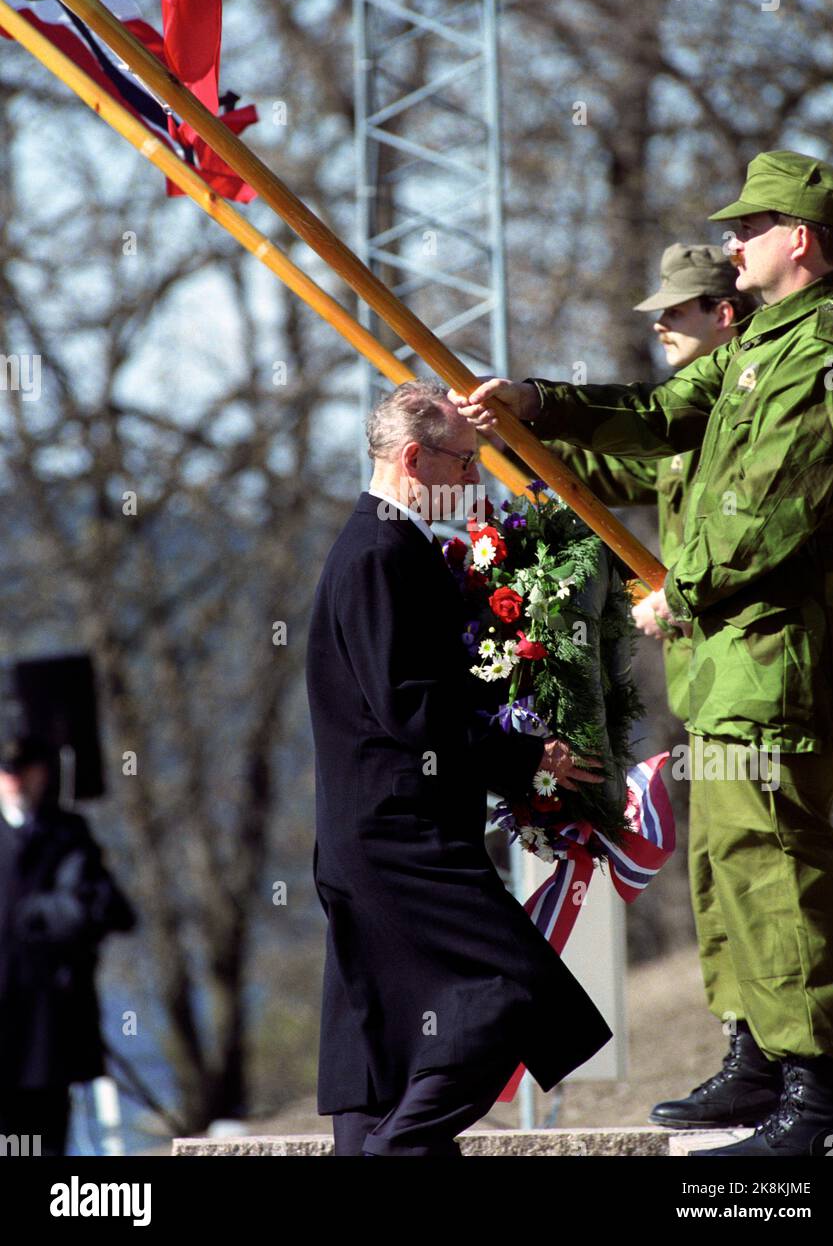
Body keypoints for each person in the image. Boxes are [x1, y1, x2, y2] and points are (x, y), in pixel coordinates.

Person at [450, 150, 833, 1157]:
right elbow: (663, 416)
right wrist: (536, 405)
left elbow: (776, 500)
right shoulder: (762, 342)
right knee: (725, 862)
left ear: (798, 239)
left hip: (780, 651)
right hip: (734, 659)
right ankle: (759, 1058)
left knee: (775, 857)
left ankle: (819, 1100)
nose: (732, 246)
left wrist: (688, 586)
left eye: (748, 229)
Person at [306, 380, 612, 1157]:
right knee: (510, 993)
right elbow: (409, 709)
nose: (474, 481)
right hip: (398, 838)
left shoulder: (383, 543)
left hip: (371, 834)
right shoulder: (380, 551)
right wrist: (524, 754)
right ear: (414, 459)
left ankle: (378, 1146)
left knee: (381, 1036)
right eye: (463, 463)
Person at [0, 736, 136, 1156]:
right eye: (7, 772)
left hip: (48, 1029)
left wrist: (34, 913)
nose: (16, 781)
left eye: (24, 770)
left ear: (43, 773)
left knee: (43, 1144)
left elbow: (99, 910)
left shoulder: (68, 833)